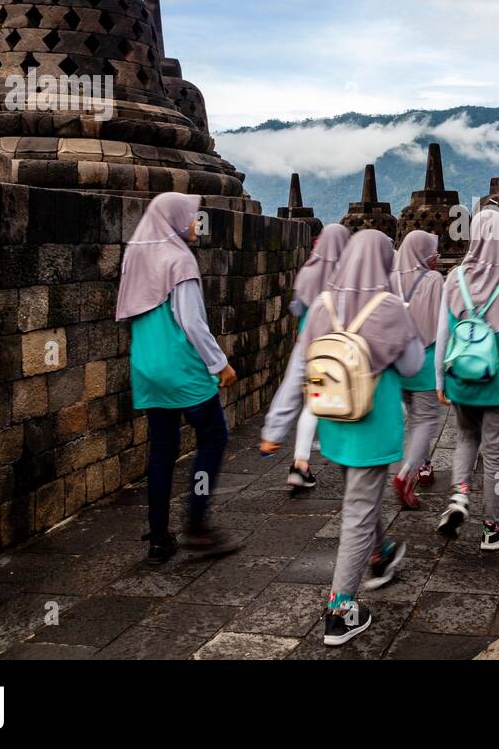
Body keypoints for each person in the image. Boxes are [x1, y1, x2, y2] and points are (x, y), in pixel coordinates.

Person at [262, 230, 424, 646]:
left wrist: (275, 428)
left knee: (360, 497)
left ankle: (382, 551)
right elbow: (411, 366)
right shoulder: (390, 307)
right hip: (374, 423)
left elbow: (298, 369)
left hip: (334, 420)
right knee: (357, 507)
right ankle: (340, 609)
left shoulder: (322, 305)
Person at [115, 192, 237, 565]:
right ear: (174, 219)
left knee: (163, 451)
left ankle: (158, 536)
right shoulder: (179, 259)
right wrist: (219, 364)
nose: (195, 223)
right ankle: (197, 523)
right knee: (213, 438)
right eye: (190, 217)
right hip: (182, 368)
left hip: (148, 368)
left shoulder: (136, 255)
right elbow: (191, 322)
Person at [435, 209, 499, 551]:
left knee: (465, 438)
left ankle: (459, 497)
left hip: (462, 378)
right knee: (497, 456)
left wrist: (440, 379)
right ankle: (493, 527)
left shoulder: (454, 278)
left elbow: (443, 334)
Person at [260, 223, 349, 490]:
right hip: (333, 343)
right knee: (319, 400)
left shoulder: (309, 269)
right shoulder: (347, 273)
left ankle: (274, 436)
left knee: (294, 386)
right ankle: (307, 463)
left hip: (306, 337)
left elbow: (296, 307)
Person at [389, 230, 445, 509]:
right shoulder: (434, 279)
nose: (435, 258)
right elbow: (442, 322)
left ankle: (423, 464)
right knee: (425, 421)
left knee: (412, 416)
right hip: (425, 360)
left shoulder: (391, 278)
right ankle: (405, 471)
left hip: (398, 360)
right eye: (433, 252)